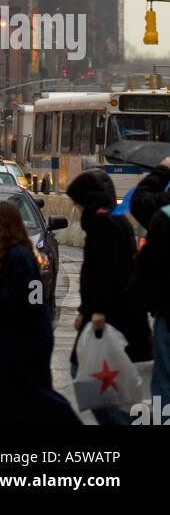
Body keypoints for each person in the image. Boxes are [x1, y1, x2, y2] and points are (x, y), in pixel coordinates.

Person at [0, 199, 80, 426]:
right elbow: (6, 300)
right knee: (13, 397)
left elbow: (28, 300)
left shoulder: (19, 256)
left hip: (25, 339)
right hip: (15, 336)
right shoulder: (6, 254)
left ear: (2, 226)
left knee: (33, 395)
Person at [67, 169, 151, 425]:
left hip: (109, 316)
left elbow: (104, 272)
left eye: (77, 202)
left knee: (86, 372)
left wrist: (96, 312)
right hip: (122, 314)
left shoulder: (100, 224)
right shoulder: (117, 220)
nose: (76, 208)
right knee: (106, 380)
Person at [130, 156, 170, 411]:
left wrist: (163, 170)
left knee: (165, 381)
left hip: (168, 311)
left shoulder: (164, 217)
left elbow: (140, 200)